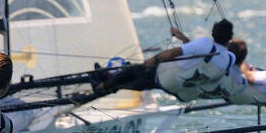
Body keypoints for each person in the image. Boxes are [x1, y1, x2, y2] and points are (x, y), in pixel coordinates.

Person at [85, 19, 236, 103]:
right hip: (179, 88)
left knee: (135, 70)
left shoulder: (205, 43)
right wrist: (182, 37)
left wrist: (153, 59)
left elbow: (172, 53)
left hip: (167, 74)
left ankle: (103, 85)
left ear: (212, 33)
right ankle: (110, 84)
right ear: (230, 37)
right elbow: (198, 54)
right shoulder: (229, 58)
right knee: (143, 81)